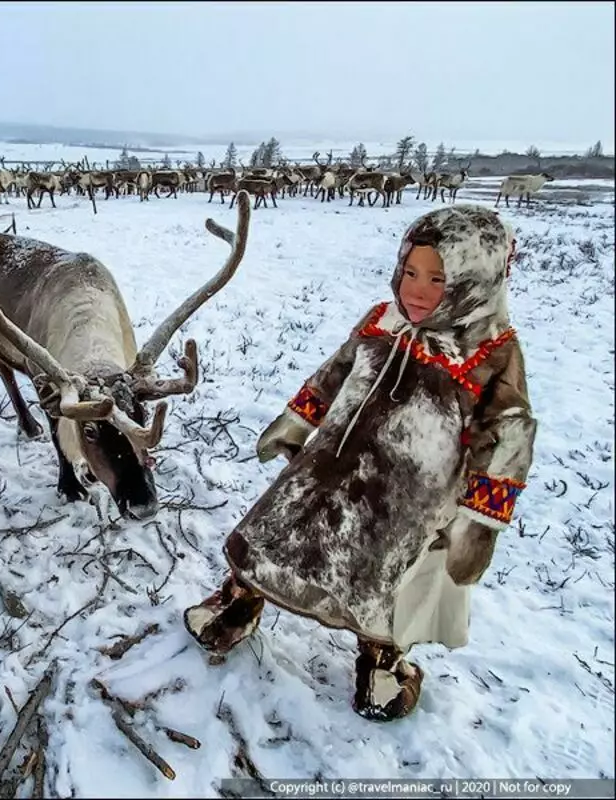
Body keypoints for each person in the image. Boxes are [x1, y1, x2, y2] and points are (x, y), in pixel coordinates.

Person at [183, 205, 536, 722]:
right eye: (410, 273)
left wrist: (479, 525)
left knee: (388, 580)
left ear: (476, 281)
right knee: (274, 535)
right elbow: (337, 371)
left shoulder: (491, 355)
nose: (416, 291)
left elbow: (509, 437)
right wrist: (298, 422)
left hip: (406, 502)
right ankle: (239, 602)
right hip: (326, 467)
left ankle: (381, 662)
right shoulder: (382, 321)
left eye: (439, 279)